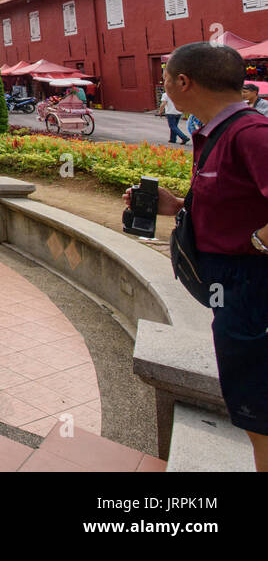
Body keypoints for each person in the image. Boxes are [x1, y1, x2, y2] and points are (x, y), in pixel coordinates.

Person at [126, 42, 268, 470]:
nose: (164, 86)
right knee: (249, 400)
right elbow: (236, 201)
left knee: (258, 402)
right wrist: (182, 206)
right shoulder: (217, 132)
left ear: (184, 82)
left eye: (166, 79)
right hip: (233, 286)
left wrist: (257, 245)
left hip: (252, 286)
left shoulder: (251, 134)